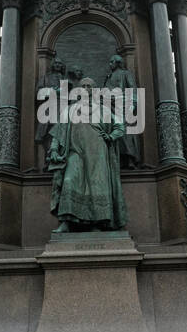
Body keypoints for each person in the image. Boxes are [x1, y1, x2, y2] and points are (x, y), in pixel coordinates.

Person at [49, 77, 128, 231]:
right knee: (70, 180)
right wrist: (53, 149)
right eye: (83, 86)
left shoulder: (104, 110)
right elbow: (59, 132)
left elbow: (120, 126)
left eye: (89, 86)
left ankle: (97, 222)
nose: (85, 88)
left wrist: (111, 136)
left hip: (97, 152)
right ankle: (67, 221)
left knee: (97, 186)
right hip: (75, 151)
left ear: (94, 90)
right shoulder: (70, 109)